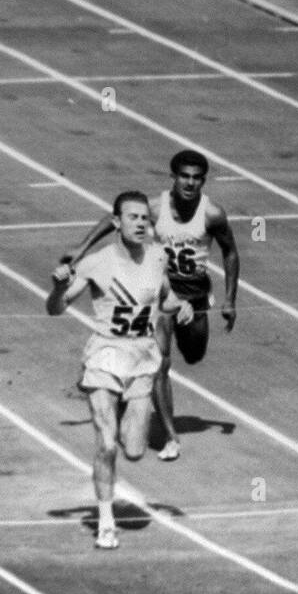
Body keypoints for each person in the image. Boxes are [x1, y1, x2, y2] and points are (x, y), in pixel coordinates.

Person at [61, 150, 239, 461]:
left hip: (195, 295)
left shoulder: (212, 214)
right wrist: (82, 247)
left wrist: (230, 299)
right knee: (161, 363)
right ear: (173, 178)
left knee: (195, 354)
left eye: (197, 178)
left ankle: (124, 397)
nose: (190, 183)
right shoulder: (155, 209)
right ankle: (170, 436)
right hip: (159, 290)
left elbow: (231, 252)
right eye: (184, 176)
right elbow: (111, 219)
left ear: (203, 182)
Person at [47, 192, 194, 549]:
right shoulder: (98, 262)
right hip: (104, 356)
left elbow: (165, 297)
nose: (141, 223)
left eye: (145, 218)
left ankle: (126, 410)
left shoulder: (158, 257)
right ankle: (106, 522)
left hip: (142, 358)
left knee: (133, 451)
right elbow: (55, 309)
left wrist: (182, 306)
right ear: (117, 223)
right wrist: (58, 287)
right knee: (107, 445)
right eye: (133, 217)